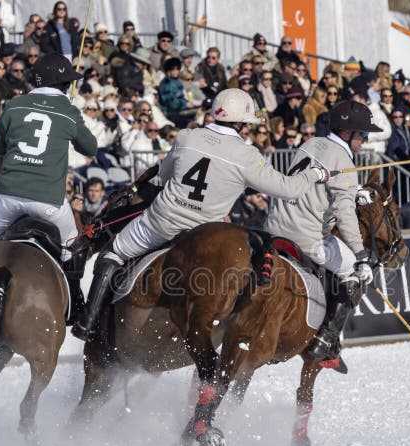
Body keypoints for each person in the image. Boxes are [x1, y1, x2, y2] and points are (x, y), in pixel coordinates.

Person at [72, 88, 329, 340]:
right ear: (240, 123)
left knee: (112, 253)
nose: (248, 128)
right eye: (246, 124)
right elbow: (288, 189)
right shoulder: (248, 155)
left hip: (160, 223)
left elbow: (165, 176)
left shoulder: (186, 137)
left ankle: (88, 324)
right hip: (204, 235)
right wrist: (317, 174)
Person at [0, 53, 97, 310]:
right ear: (65, 85)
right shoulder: (68, 111)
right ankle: (76, 305)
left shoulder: (13, 105)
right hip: (49, 203)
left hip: (7, 198)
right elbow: (91, 147)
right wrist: (72, 117)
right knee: (71, 246)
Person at [264, 100, 381, 365]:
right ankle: (326, 339)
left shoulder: (310, 144)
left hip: (273, 226)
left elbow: (316, 183)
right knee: (354, 271)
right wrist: (361, 255)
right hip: (307, 236)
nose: (365, 140)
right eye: (362, 134)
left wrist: (353, 189)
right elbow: (345, 216)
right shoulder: (344, 160)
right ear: (347, 132)